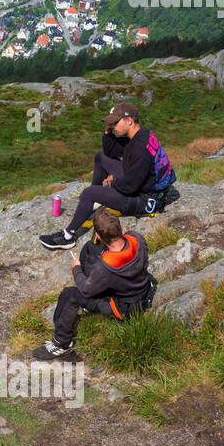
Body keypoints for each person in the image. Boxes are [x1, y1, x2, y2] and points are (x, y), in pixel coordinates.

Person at [39, 101, 176, 250]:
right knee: (101, 157)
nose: (113, 126)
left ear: (129, 121)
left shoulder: (139, 149)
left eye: (115, 123)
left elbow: (130, 187)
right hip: (141, 183)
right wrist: (108, 131)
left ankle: (68, 236)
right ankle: (92, 201)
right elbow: (110, 151)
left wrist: (112, 184)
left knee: (88, 193)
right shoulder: (141, 133)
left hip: (147, 199)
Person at [34, 209, 156, 360]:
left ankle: (61, 342)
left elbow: (86, 290)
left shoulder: (105, 268)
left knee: (69, 294)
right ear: (121, 228)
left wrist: (76, 268)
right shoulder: (136, 237)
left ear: (98, 235)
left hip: (122, 307)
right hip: (143, 289)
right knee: (89, 249)